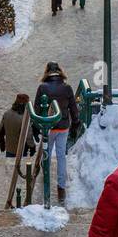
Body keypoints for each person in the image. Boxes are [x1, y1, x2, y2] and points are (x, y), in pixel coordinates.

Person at [34, 61, 79, 205]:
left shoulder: (42, 87)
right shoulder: (67, 88)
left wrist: (35, 127)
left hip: (48, 126)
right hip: (63, 125)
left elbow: (35, 107)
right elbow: (73, 109)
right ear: (60, 72)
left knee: (46, 152)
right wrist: (75, 125)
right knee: (61, 156)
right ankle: (61, 188)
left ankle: (45, 176)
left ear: (47, 72)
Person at [0, 93, 35, 159]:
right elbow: (28, 136)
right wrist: (32, 148)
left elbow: (0, 131)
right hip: (22, 150)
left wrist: (2, 145)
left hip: (9, 149)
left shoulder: (7, 114)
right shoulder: (24, 118)